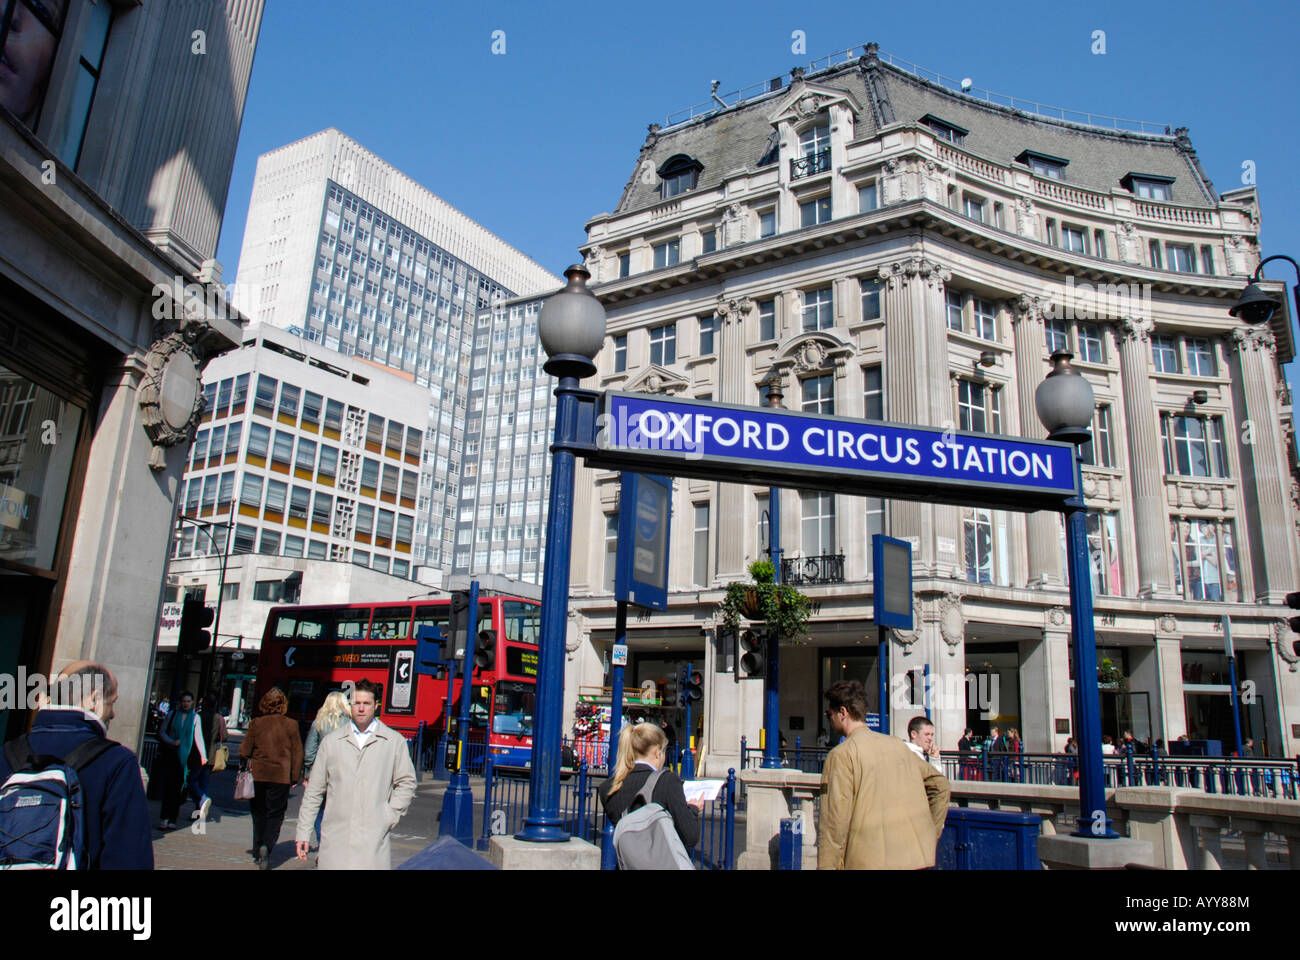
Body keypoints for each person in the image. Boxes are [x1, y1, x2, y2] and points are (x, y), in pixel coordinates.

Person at [0, 661, 153, 869]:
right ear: (94, 698)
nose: (113, 713)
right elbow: (129, 856)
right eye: (112, 702)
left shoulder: (8, 753)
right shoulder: (117, 761)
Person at [818, 680, 950, 870]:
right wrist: (931, 831)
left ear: (843, 712)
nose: (829, 718)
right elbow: (941, 785)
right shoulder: (897, 745)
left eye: (829, 714)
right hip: (912, 858)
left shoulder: (841, 755)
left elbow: (834, 826)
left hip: (866, 861)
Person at [295, 678, 416, 870]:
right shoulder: (332, 742)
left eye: (366, 703)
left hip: (372, 840)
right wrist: (303, 832)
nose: (361, 708)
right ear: (350, 705)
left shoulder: (393, 742)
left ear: (376, 706)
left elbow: (407, 782)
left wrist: (390, 814)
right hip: (335, 839)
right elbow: (314, 790)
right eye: (357, 703)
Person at [597, 722, 702, 862]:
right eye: (664, 752)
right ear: (657, 752)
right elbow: (690, 836)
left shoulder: (608, 788)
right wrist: (693, 809)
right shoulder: (667, 781)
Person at [239, 686, 303, 869]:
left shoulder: (256, 723)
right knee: (275, 814)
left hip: (258, 774)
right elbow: (298, 753)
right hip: (281, 776)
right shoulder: (292, 724)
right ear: (284, 705)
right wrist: (294, 777)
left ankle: (258, 847)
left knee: (258, 813)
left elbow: (244, 750)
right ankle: (267, 844)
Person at [302, 690, 352, 847]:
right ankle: (337, 842)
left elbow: (309, 751)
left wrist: (308, 772)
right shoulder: (352, 723)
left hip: (322, 770)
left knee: (319, 809)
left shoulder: (319, 722)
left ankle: (322, 842)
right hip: (346, 771)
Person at [156, 690, 208, 829]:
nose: (186, 704)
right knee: (168, 788)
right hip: (172, 754)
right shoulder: (172, 714)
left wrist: (203, 756)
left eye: (188, 701)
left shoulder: (196, 718)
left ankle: (172, 819)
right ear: (180, 702)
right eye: (184, 701)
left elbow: (198, 737)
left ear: (192, 703)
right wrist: (171, 741)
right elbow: (162, 732)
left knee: (179, 789)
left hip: (186, 757)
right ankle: (164, 818)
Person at [191, 693, 227, 824]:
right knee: (204, 783)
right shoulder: (219, 718)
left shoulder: (198, 716)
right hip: (211, 754)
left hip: (197, 753)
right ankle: (199, 811)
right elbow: (225, 736)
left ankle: (201, 799)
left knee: (192, 780)